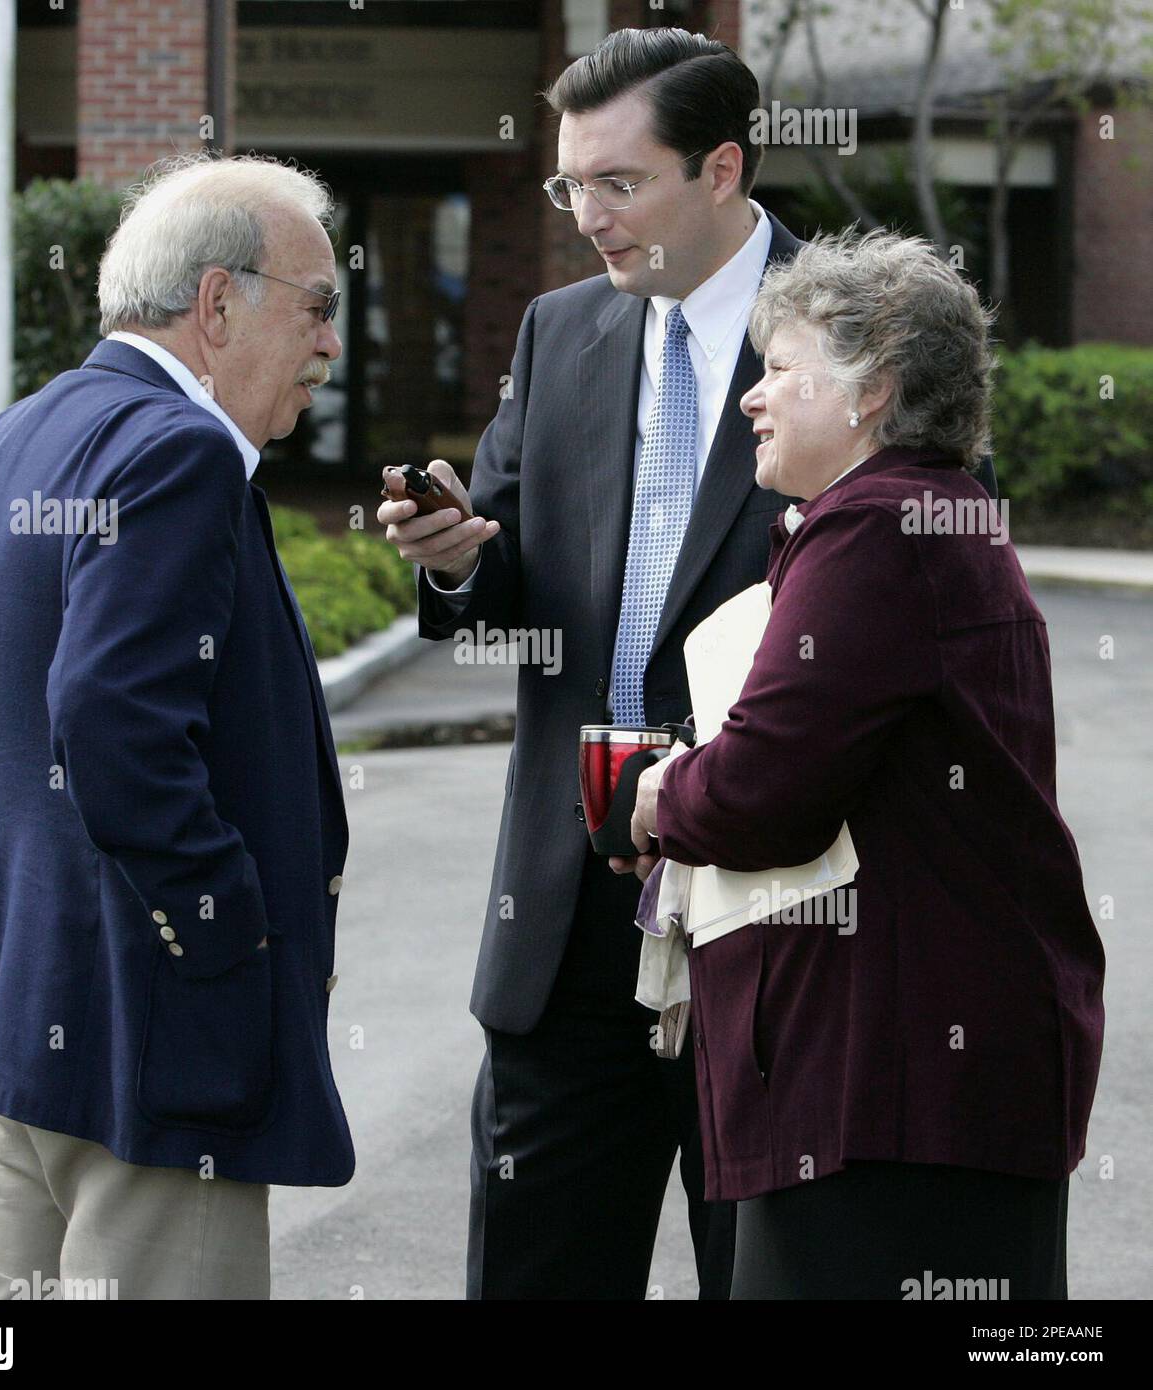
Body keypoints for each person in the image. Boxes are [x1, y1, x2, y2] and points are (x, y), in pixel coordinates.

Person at [385, 26, 991, 1300]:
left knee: (769, 1281)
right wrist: (452, 558)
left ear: (720, 168)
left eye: (618, 183)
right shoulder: (559, 332)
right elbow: (504, 576)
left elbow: (925, 579)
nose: (587, 217)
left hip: (777, 916)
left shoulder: (860, 337)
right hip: (567, 909)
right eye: (567, 185)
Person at [0, 153, 352, 1300]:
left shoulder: (2, 442)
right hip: (154, 1040)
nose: (329, 346)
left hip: (26, 1012)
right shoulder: (178, 450)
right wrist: (219, 924)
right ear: (215, 304)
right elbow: (108, 718)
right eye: (318, 307)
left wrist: (25, 892)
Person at [619, 228, 1105, 1300]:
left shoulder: (875, 529)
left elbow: (759, 793)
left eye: (781, 369)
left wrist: (656, 797)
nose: (752, 396)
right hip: (937, 1072)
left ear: (872, 390)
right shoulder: (929, 515)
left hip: (893, 1080)